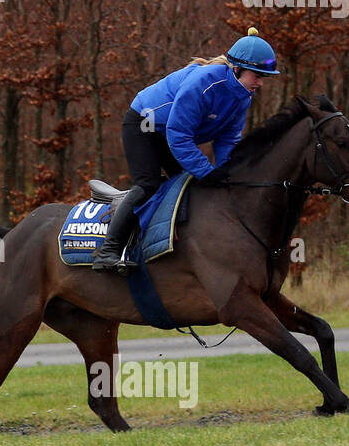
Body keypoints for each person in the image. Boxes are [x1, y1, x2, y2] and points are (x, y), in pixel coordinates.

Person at [91, 27, 280, 273]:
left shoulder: (243, 95)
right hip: (144, 124)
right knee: (149, 183)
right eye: (257, 75)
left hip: (170, 132)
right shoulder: (204, 82)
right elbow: (179, 136)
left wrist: (227, 174)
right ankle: (108, 251)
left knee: (189, 184)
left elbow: (227, 140)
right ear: (237, 69)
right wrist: (207, 171)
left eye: (263, 76)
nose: (261, 82)